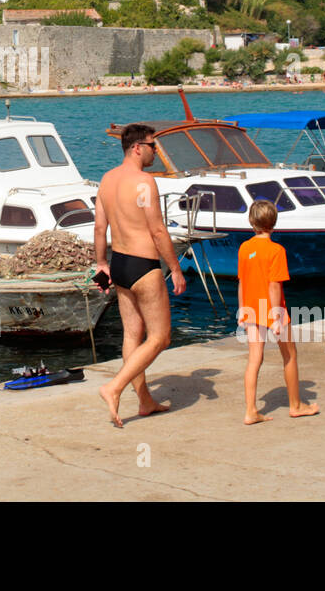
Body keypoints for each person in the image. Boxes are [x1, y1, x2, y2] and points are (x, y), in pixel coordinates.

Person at [94, 124, 186, 428]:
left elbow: (99, 228)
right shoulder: (145, 182)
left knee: (133, 335)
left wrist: (101, 264)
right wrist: (174, 268)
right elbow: (158, 230)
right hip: (143, 266)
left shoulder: (107, 180)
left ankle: (145, 400)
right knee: (160, 338)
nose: (155, 151)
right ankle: (114, 387)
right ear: (137, 148)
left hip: (119, 263)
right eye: (153, 146)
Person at [237, 200, 319, 425]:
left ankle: (251, 410)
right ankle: (296, 405)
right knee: (289, 355)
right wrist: (275, 317)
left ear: (252, 222)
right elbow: (274, 286)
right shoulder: (276, 251)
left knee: (254, 359)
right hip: (273, 311)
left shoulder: (244, 248)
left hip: (251, 309)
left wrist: (242, 310)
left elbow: (242, 282)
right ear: (274, 222)